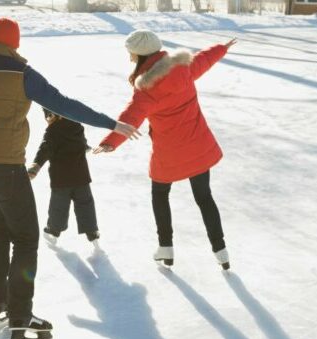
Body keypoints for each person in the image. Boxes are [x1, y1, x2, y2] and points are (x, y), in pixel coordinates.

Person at [0, 17, 139, 339]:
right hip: (5, 166)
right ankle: (20, 317)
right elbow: (63, 104)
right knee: (26, 238)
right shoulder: (21, 73)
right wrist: (110, 123)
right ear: (14, 42)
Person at [94, 30, 237, 270]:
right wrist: (222, 48)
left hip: (169, 154)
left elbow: (130, 118)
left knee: (160, 195)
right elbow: (204, 59)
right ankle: (221, 251)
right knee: (204, 197)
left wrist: (110, 142)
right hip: (198, 146)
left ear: (141, 55)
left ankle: (166, 247)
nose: (129, 58)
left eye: (131, 54)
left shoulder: (147, 90)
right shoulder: (184, 68)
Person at [28, 109, 101, 250]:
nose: (48, 119)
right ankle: (92, 233)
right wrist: (84, 147)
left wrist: (35, 167)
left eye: (49, 116)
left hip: (61, 179)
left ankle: (53, 231)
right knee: (85, 204)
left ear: (56, 115)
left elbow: (45, 149)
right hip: (81, 177)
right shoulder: (77, 126)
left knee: (58, 206)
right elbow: (81, 142)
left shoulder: (52, 132)